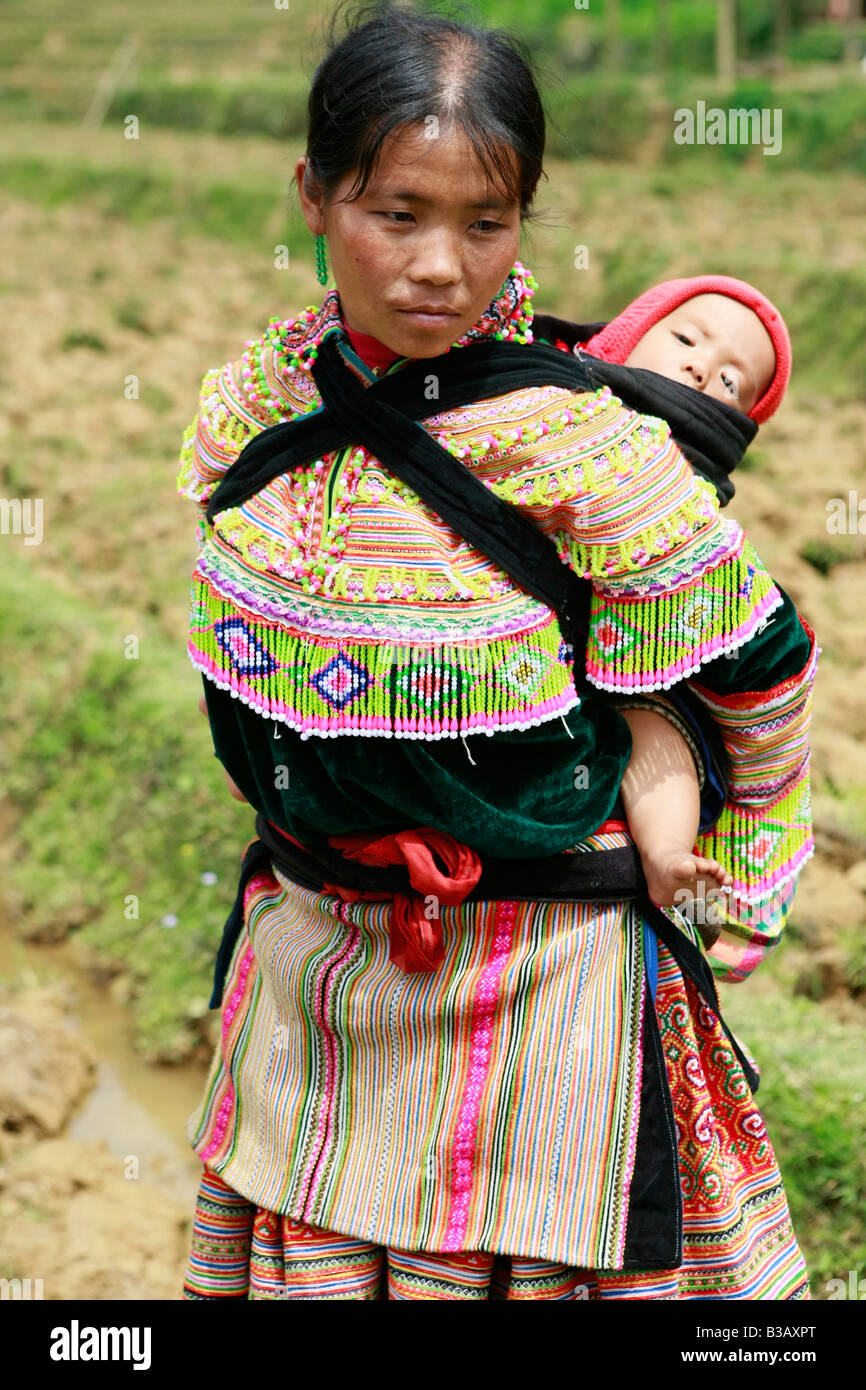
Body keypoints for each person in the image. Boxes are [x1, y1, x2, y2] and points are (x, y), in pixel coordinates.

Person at [176, 2, 817, 1301]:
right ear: (310, 192)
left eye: (485, 222)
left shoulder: (583, 441)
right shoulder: (253, 406)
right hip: (321, 969)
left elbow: (759, 662)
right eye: (394, 212)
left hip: (542, 986)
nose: (438, 267)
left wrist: (724, 880)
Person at [563, 276, 792, 909]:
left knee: (656, 727)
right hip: (500, 628)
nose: (699, 367)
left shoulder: (695, 485)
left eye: (728, 382)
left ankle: (669, 857)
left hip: (624, 667)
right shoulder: (545, 397)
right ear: (629, 334)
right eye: (687, 338)